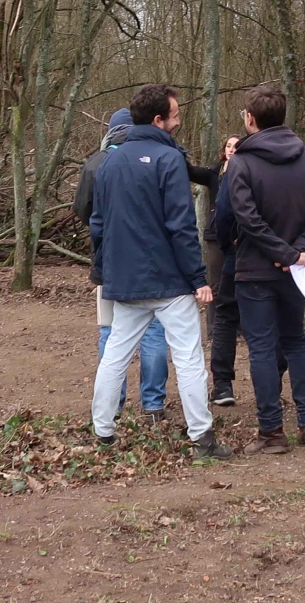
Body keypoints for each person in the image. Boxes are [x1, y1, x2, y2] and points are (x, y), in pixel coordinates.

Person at [88, 83, 230, 458]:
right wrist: (197, 278)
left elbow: (97, 225)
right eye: (175, 115)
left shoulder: (109, 162)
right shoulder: (169, 161)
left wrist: (104, 271)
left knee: (115, 354)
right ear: (158, 120)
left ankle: (103, 432)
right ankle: (202, 438)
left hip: (125, 281)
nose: (179, 121)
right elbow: (181, 226)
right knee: (188, 358)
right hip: (169, 283)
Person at [229, 84, 305, 453]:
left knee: (263, 348)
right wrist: (294, 252)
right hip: (297, 269)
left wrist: (289, 253)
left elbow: (246, 219)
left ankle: (272, 431)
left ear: (250, 119)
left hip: (259, 270)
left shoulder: (241, 163)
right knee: (295, 341)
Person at [76, 108, 170, 421]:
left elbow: (84, 210)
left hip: (109, 263)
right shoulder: (159, 158)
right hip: (154, 262)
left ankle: (111, 406)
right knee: (154, 330)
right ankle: (153, 405)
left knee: (109, 330)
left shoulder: (97, 163)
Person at [203, 135, 243, 404]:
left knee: (228, 314)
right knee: (219, 296)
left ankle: (223, 385)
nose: (231, 150)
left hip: (238, 248)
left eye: (235, 146)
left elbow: (226, 211)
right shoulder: (216, 173)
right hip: (228, 244)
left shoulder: (243, 168)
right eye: (228, 146)